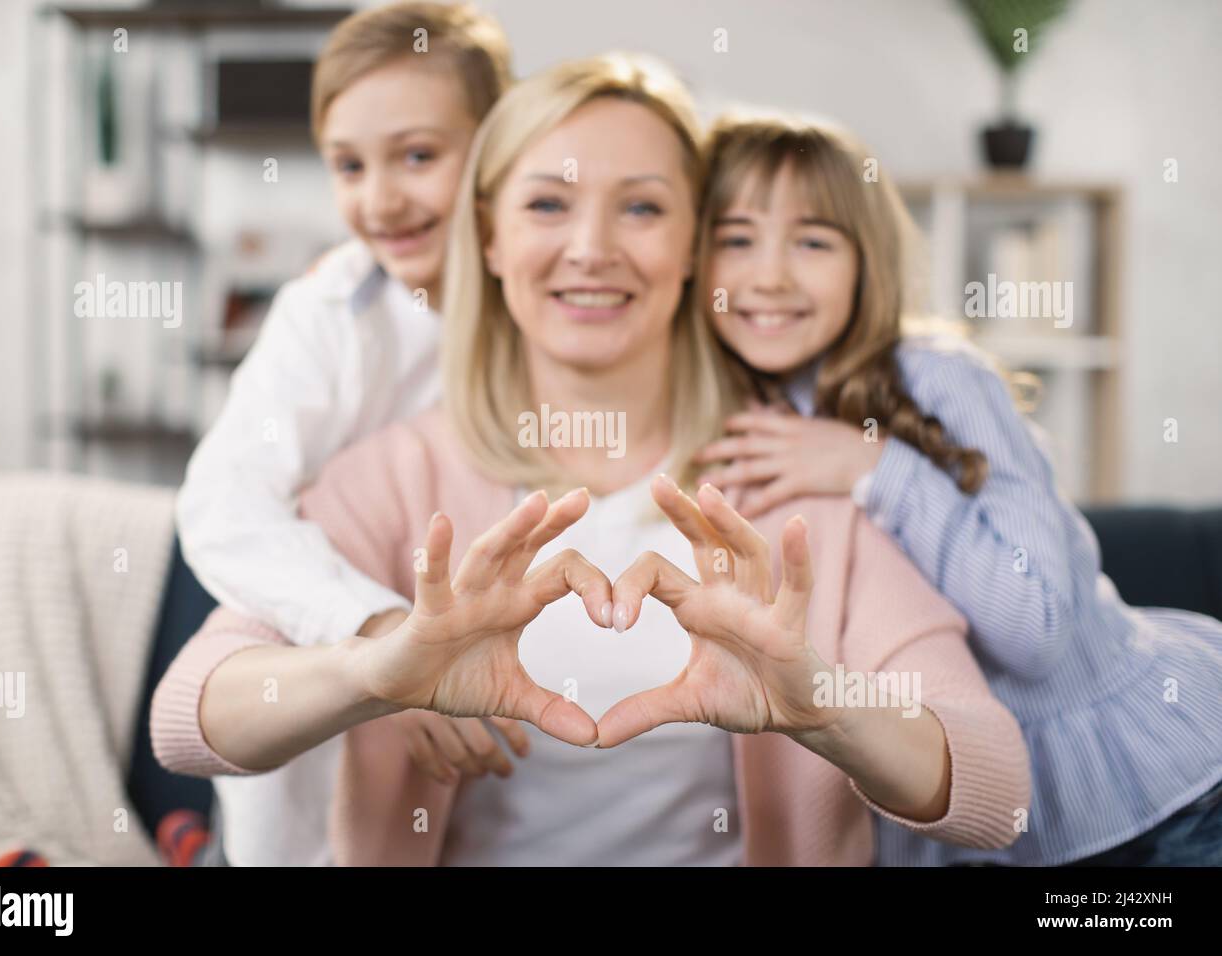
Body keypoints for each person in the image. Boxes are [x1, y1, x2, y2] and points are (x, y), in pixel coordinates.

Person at [151, 54, 1030, 866]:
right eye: (547, 205)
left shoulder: (782, 481)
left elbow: (996, 789)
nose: (592, 248)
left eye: (642, 207)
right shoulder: (396, 477)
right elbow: (187, 717)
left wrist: (824, 707)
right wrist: (372, 669)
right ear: (489, 239)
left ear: (693, 247)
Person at [692, 110, 1222, 865]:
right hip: (971, 814)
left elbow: (1037, 628)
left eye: (812, 241)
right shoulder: (750, 411)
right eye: (736, 239)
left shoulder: (940, 377)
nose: (769, 274)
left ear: (864, 261)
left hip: (1159, 796)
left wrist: (875, 468)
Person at [173, 1, 513, 866]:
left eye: (418, 156)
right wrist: (380, 640)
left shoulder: (546, 305)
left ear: (498, 149)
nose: (380, 198)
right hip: (313, 748)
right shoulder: (330, 312)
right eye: (348, 166)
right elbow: (223, 503)